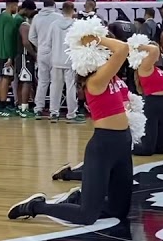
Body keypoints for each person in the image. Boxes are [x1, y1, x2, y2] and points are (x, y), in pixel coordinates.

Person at [9, 19, 143, 224]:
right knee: (86, 217)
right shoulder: (96, 81)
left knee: (119, 212)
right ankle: (36, 206)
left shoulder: (113, 77)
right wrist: (95, 38)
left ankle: (80, 196)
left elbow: (123, 52)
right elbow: (122, 48)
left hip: (123, 143)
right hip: (103, 146)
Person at [53, 39, 163, 181]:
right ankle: (71, 173)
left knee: (121, 171)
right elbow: (141, 50)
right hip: (113, 128)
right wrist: (135, 45)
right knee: (112, 170)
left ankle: (84, 168)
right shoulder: (140, 68)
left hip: (128, 126)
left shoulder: (116, 78)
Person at [0, 0, 25, 116]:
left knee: (0, 78)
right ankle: (3, 106)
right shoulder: (9, 18)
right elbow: (8, 38)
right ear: (12, 5)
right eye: (16, 6)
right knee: (6, 78)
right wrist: (10, 56)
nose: (17, 8)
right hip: (5, 52)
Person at [46, 2, 78, 122]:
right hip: (70, 60)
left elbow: (48, 42)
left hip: (56, 59)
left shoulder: (54, 24)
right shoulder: (76, 25)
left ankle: (54, 113)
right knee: (71, 88)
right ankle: (71, 114)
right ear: (73, 10)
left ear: (62, 10)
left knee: (55, 87)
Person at [27, 1, 59, 116]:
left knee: (42, 81)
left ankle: (38, 108)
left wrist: (39, 45)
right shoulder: (58, 17)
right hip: (55, 52)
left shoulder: (36, 17)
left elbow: (31, 37)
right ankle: (53, 111)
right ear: (54, 6)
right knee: (55, 82)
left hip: (42, 52)